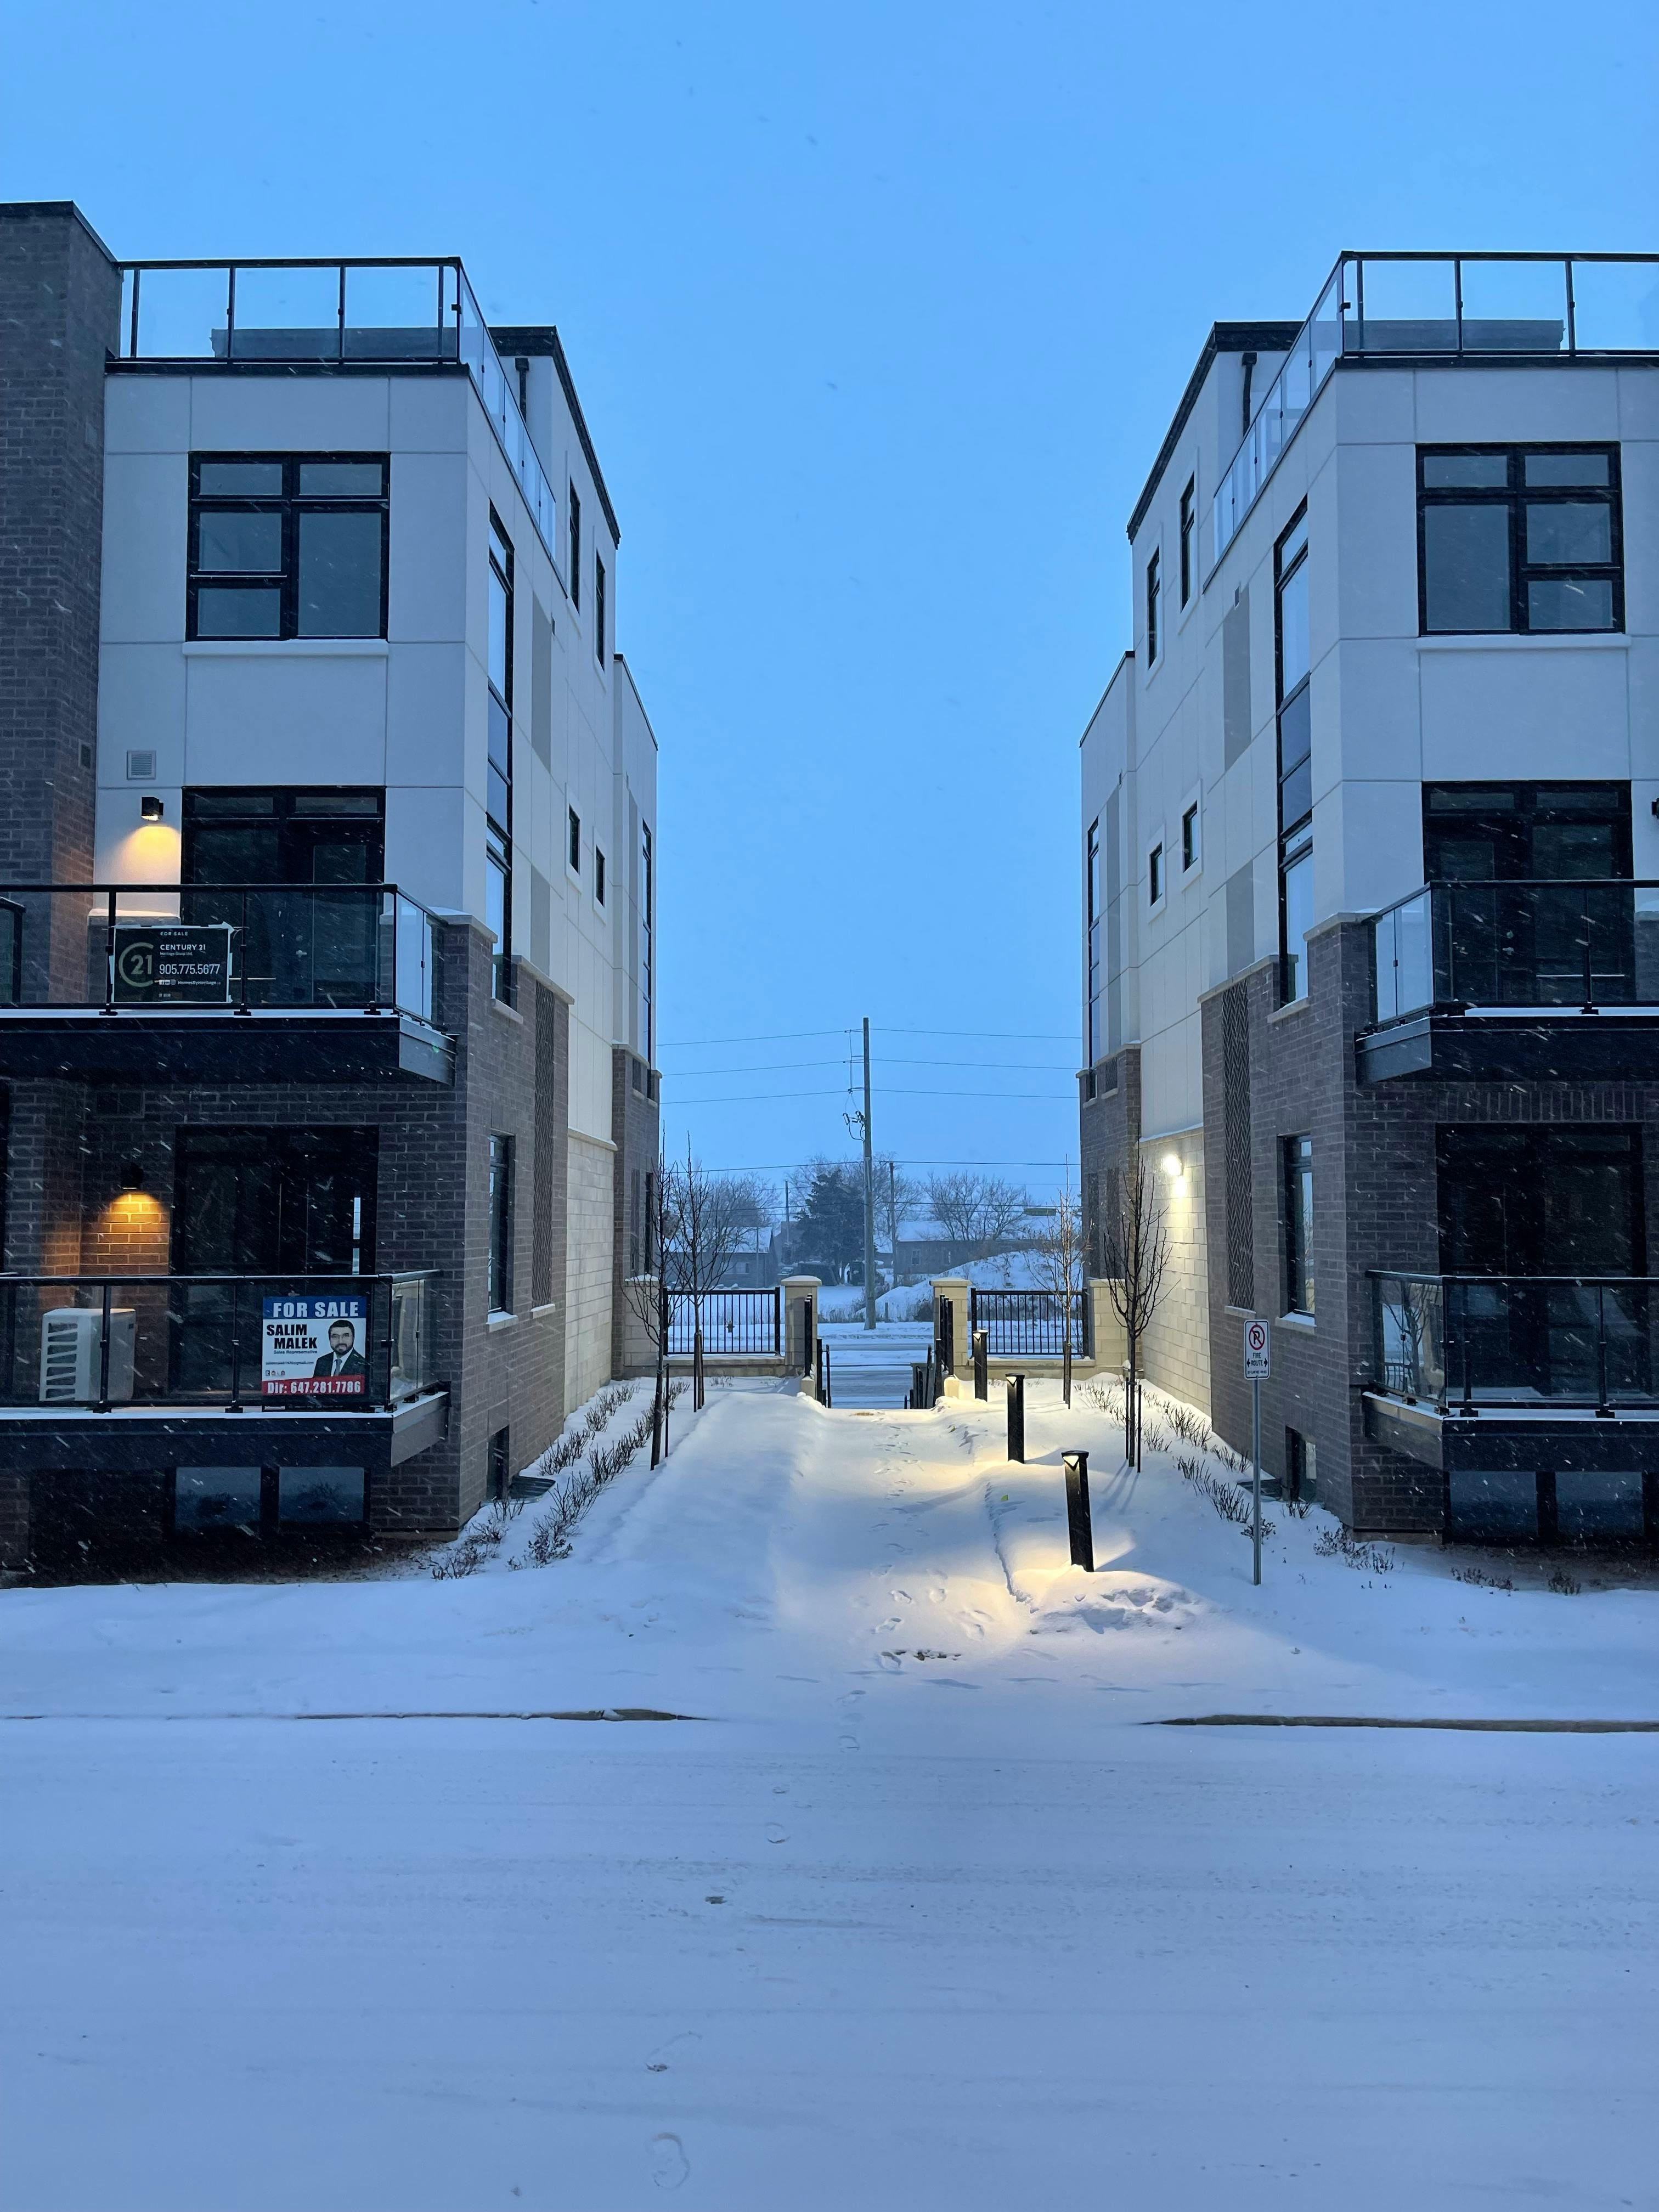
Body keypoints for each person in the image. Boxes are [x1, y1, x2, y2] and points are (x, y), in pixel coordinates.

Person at [313, 1317, 366, 1382]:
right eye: (335, 1337)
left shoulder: (362, 1364)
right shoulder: (322, 1361)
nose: (340, 1341)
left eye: (346, 1336)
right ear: (329, 1339)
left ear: (353, 1338)